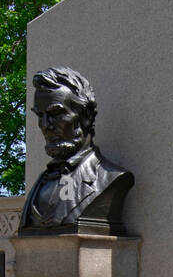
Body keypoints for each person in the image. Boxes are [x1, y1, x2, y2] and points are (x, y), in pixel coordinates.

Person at [19, 66, 134, 234]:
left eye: (55, 114)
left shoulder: (111, 179)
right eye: (40, 116)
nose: (45, 126)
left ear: (86, 117)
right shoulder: (43, 182)